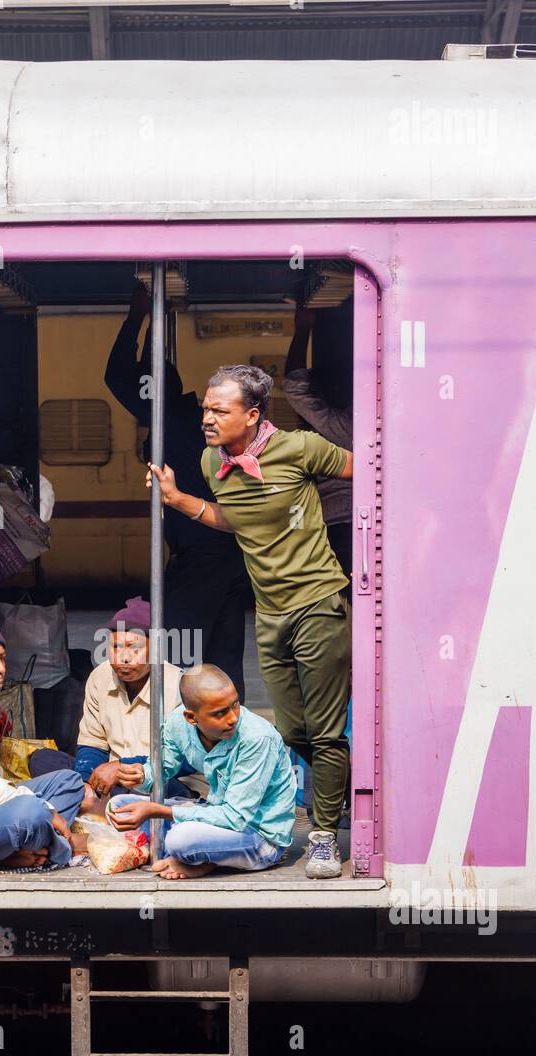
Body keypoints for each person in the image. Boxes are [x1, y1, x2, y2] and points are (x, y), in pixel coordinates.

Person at [147, 364, 352, 880]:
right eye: (206, 409)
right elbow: (232, 518)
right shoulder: (211, 459)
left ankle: (324, 834)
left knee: (325, 734)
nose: (207, 418)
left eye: (219, 409)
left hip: (318, 603)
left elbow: (370, 472)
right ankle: (312, 803)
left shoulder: (301, 448)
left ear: (252, 414)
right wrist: (178, 501)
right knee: (294, 728)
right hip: (270, 611)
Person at [104, 281, 248, 700]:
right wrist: (153, 320)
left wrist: (136, 314)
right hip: (228, 556)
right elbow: (151, 367)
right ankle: (228, 747)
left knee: (172, 654)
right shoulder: (191, 417)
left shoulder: (167, 415)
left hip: (201, 557)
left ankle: (168, 741)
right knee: (223, 659)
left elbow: (115, 375)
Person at [108, 664, 296, 880]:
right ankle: (196, 859)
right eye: (220, 713)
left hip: (258, 837)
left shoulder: (257, 738)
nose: (233, 717)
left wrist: (162, 812)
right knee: (120, 807)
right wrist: (141, 776)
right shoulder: (178, 723)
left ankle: (193, 858)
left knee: (181, 840)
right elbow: (159, 773)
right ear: (191, 717)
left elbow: (235, 818)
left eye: (235, 704)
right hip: (215, 815)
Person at [29, 596, 198, 801]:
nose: (123, 658)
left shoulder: (180, 686)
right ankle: (91, 799)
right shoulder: (100, 677)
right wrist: (84, 782)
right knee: (42, 759)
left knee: (157, 785)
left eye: (134, 648)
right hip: (108, 777)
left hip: (157, 779)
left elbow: (186, 759)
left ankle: (95, 802)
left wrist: (121, 769)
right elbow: (93, 742)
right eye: (116, 647)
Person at [0, 620, 86, 871]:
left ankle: (23, 850)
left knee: (69, 781)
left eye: (2, 659)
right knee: (31, 814)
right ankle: (61, 847)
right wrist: (49, 811)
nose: (0, 669)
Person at [282, 303, 353, 580]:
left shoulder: (342, 428)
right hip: (341, 526)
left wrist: (302, 331)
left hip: (339, 527)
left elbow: (294, 388)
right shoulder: (356, 425)